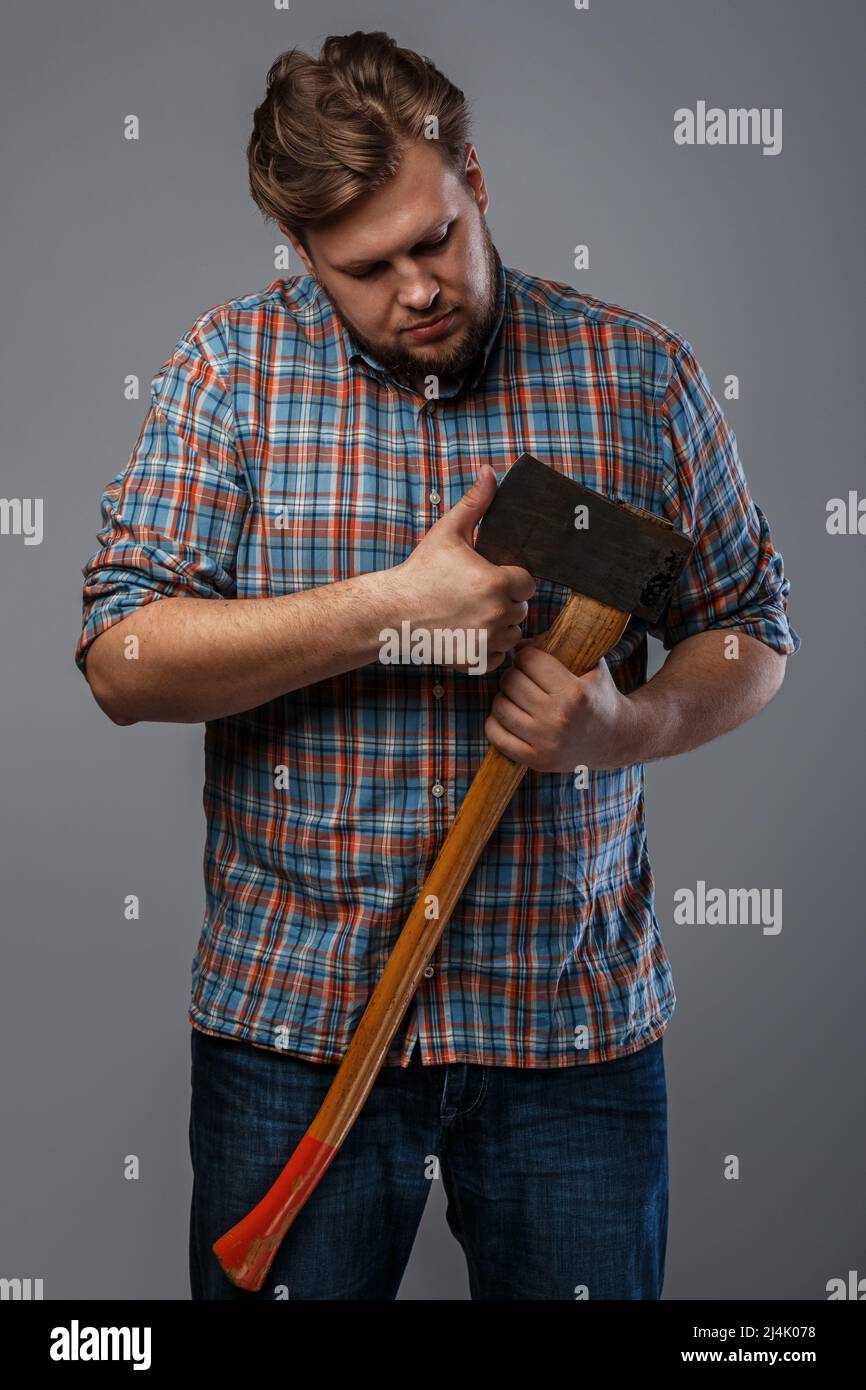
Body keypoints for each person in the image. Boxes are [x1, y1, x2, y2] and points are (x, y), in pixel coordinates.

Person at [74, 31, 800, 1300]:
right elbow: (123, 661)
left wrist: (614, 728)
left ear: (474, 173)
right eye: (366, 268)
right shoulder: (228, 375)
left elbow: (748, 630)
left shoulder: (636, 376)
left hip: (569, 1031)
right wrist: (386, 611)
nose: (417, 287)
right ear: (301, 256)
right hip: (294, 1028)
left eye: (436, 236)